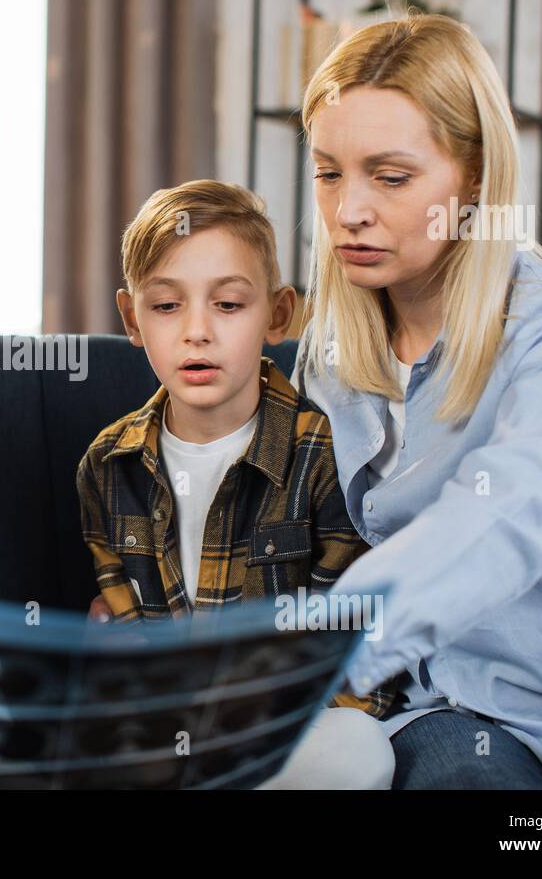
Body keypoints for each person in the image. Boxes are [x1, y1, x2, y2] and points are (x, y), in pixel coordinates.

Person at [292, 14, 542, 788]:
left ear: (474, 178)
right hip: (458, 705)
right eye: (329, 171)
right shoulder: (330, 357)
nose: (348, 211)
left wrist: (330, 639)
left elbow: (511, 507)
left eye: (391, 176)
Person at [76, 179, 398, 788]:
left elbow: (352, 638)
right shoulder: (107, 464)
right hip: (166, 719)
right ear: (132, 319)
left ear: (278, 314)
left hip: (286, 724)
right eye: (167, 306)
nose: (197, 331)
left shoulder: (323, 453)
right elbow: (125, 623)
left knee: (361, 748)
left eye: (228, 305)